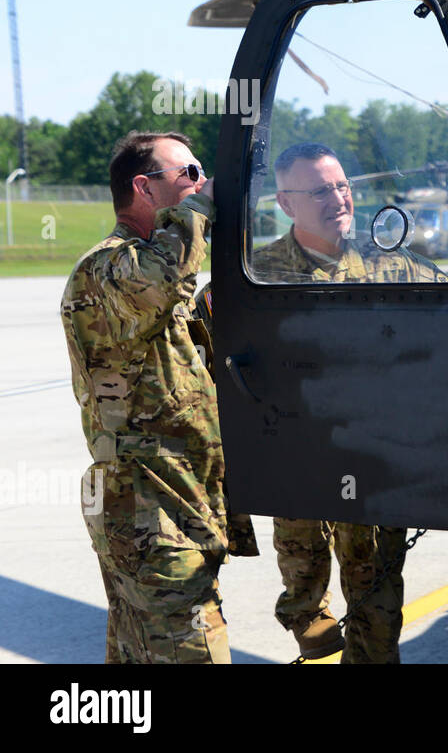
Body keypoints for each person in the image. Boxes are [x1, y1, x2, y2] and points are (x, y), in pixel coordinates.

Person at [62, 130, 257, 663]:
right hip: (148, 513)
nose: (201, 184)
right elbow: (161, 276)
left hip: (178, 504)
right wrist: (200, 210)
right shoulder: (105, 269)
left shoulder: (159, 277)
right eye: (188, 175)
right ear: (143, 188)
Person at [254, 142, 448, 663]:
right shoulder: (258, 274)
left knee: (377, 599)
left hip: (375, 459)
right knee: (304, 577)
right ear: (287, 203)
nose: (338, 198)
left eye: (342, 186)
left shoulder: (395, 266)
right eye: (320, 189)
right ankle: (303, 613)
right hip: (299, 456)